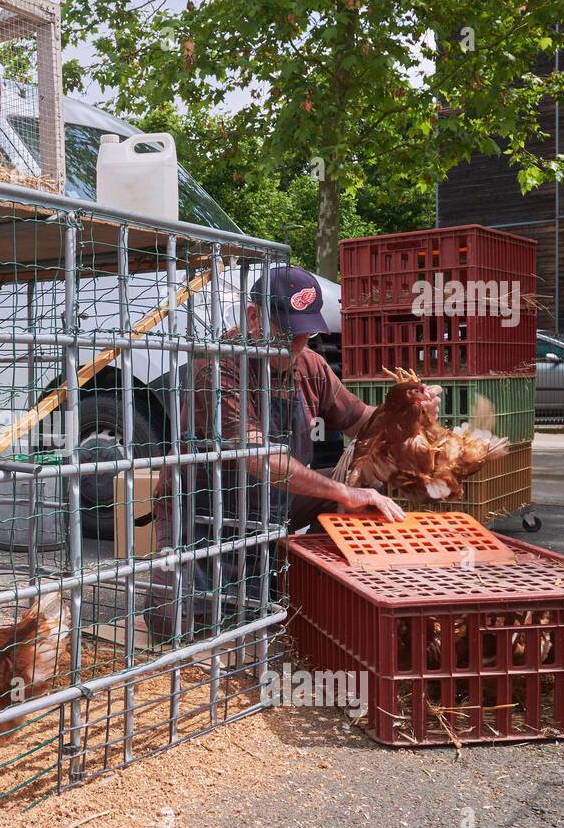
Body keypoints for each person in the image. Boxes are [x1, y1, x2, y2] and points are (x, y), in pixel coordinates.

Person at [144, 264, 432, 643]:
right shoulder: (216, 368)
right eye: (286, 334)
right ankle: (220, 589)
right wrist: (342, 492)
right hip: (202, 508)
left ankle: (310, 585)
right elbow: (259, 457)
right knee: (173, 627)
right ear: (252, 318)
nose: (296, 345)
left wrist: (404, 412)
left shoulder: (311, 365)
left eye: (304, 334)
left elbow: (361, 421)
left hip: (272, 501)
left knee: (361, 488)